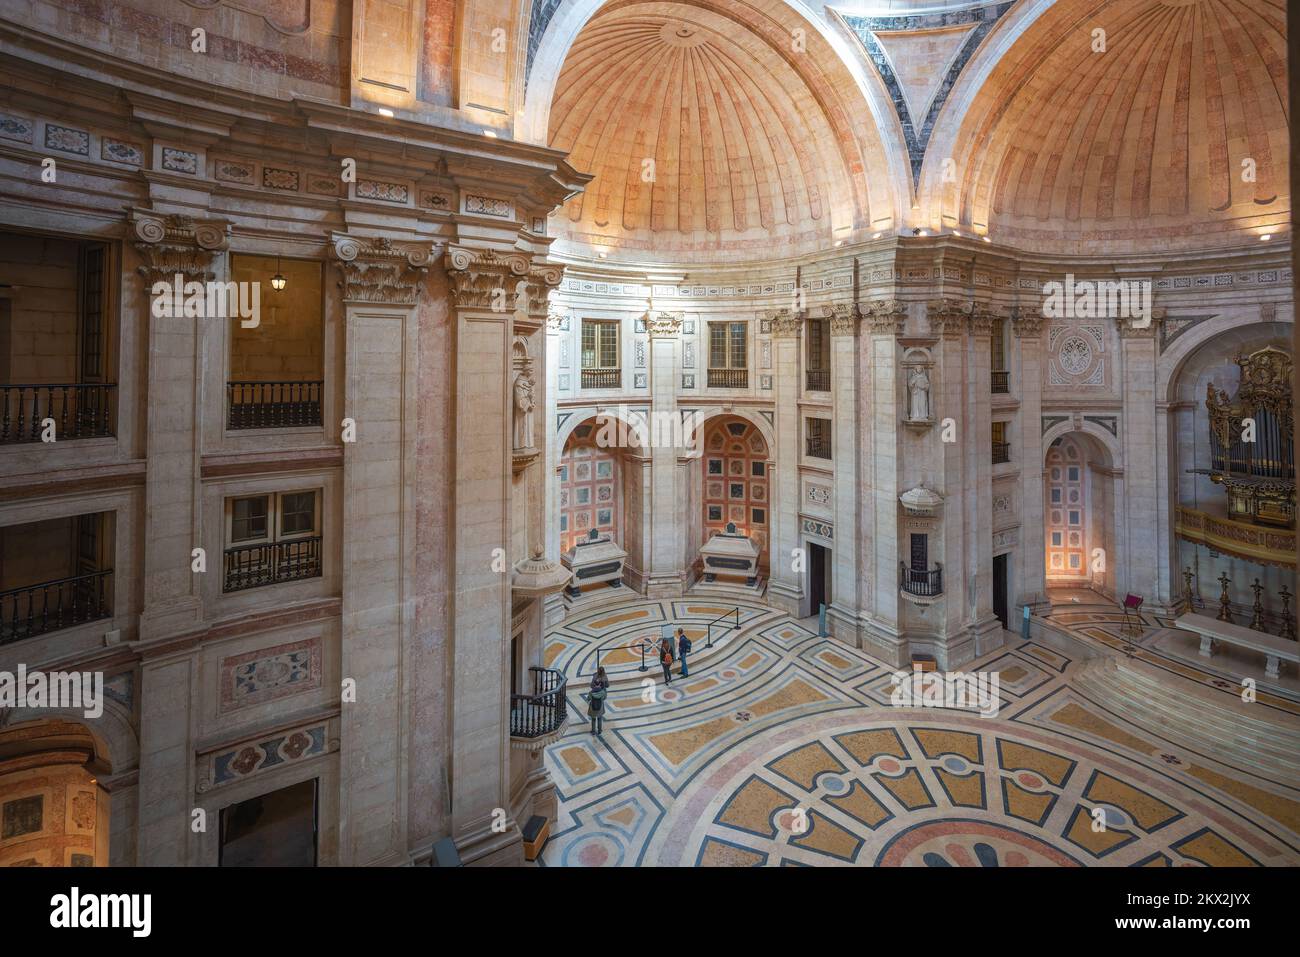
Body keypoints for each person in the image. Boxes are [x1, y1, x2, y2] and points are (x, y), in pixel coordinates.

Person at [588, 667, 609, 735]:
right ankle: (599, 730)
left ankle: (593, 731)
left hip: (593, 707)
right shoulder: (605, 677)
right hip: (600, 706)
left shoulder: (591, 692)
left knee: (593, 719)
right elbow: (607, 686)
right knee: (599, 718)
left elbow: (588, 698)